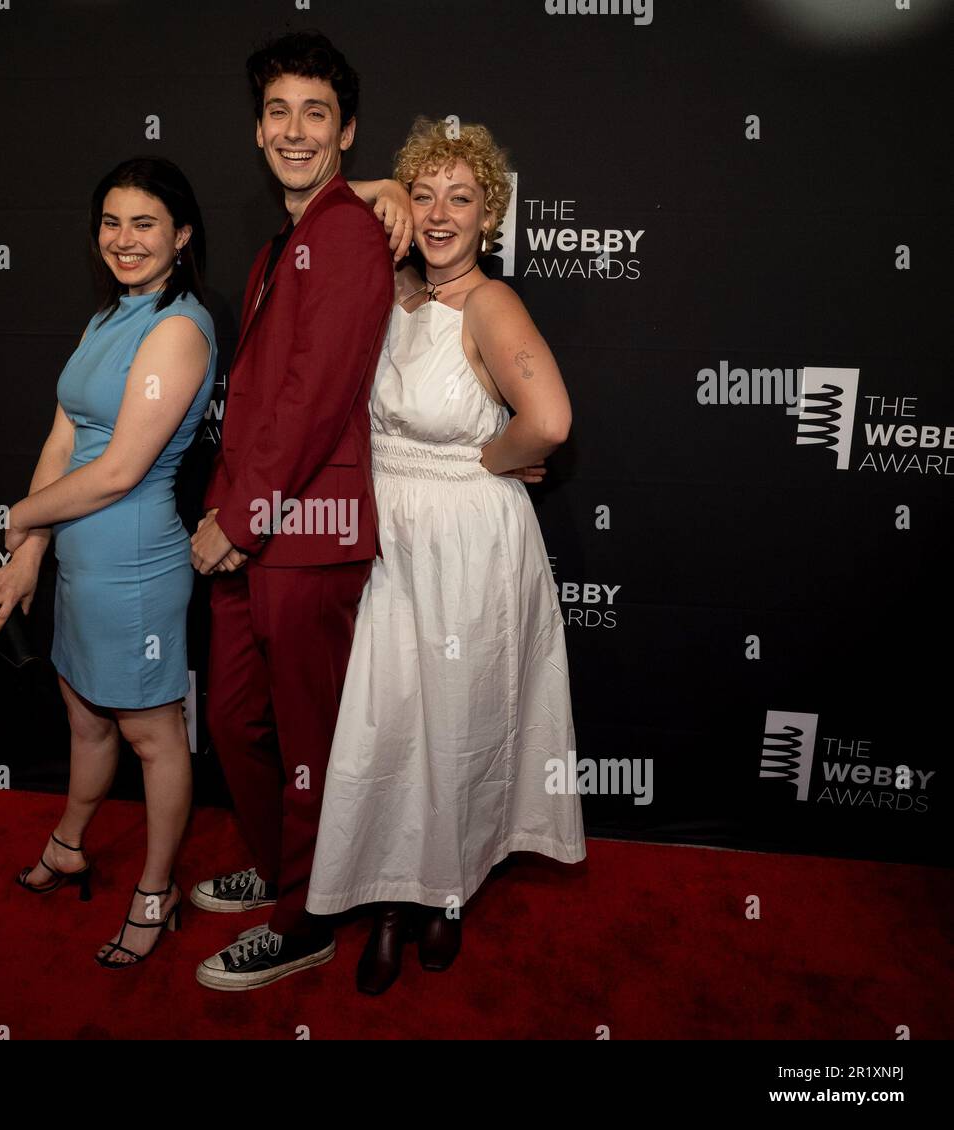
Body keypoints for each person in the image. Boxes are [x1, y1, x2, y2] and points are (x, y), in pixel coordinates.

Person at [305, 118, 587, 994]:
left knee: (459, 717)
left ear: (488, 216)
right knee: (388, 716)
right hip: (384, 530)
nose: (438, 214)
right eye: (422, 194)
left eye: (460, 198)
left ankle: (446, 893)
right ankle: (389, 898)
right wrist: (375, 193)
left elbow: (549, 422)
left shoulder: (491, 303)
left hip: (465, 538)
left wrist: (487, 458)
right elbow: (312, 204)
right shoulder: (385, 289)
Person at [187, 31, 397, 990]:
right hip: (254, 531)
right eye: (278, 112)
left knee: (309, 737)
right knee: (234, 720)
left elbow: (316, 396)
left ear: (346, 132)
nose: (295, 129)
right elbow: (259, 402)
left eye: (317, 112)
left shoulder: (349, 229)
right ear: (258, 130)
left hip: (307, 536)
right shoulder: (281, 246)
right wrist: (229, 517)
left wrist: (241, 519)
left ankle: (309, 914)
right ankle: (278, 866)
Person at [0, 156, 217, 969]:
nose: (125, 239)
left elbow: (119, 470)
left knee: (152, 735)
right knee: (84, 715)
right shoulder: (104, 319)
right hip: (79, 561)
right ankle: (72, 843)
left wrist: (16, 518)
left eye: (145, 223)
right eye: (111, 223)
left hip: (138, 569)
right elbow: (63, 440)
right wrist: (31, 555)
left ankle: (158, 891)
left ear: (181, 236)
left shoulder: (178, 330)